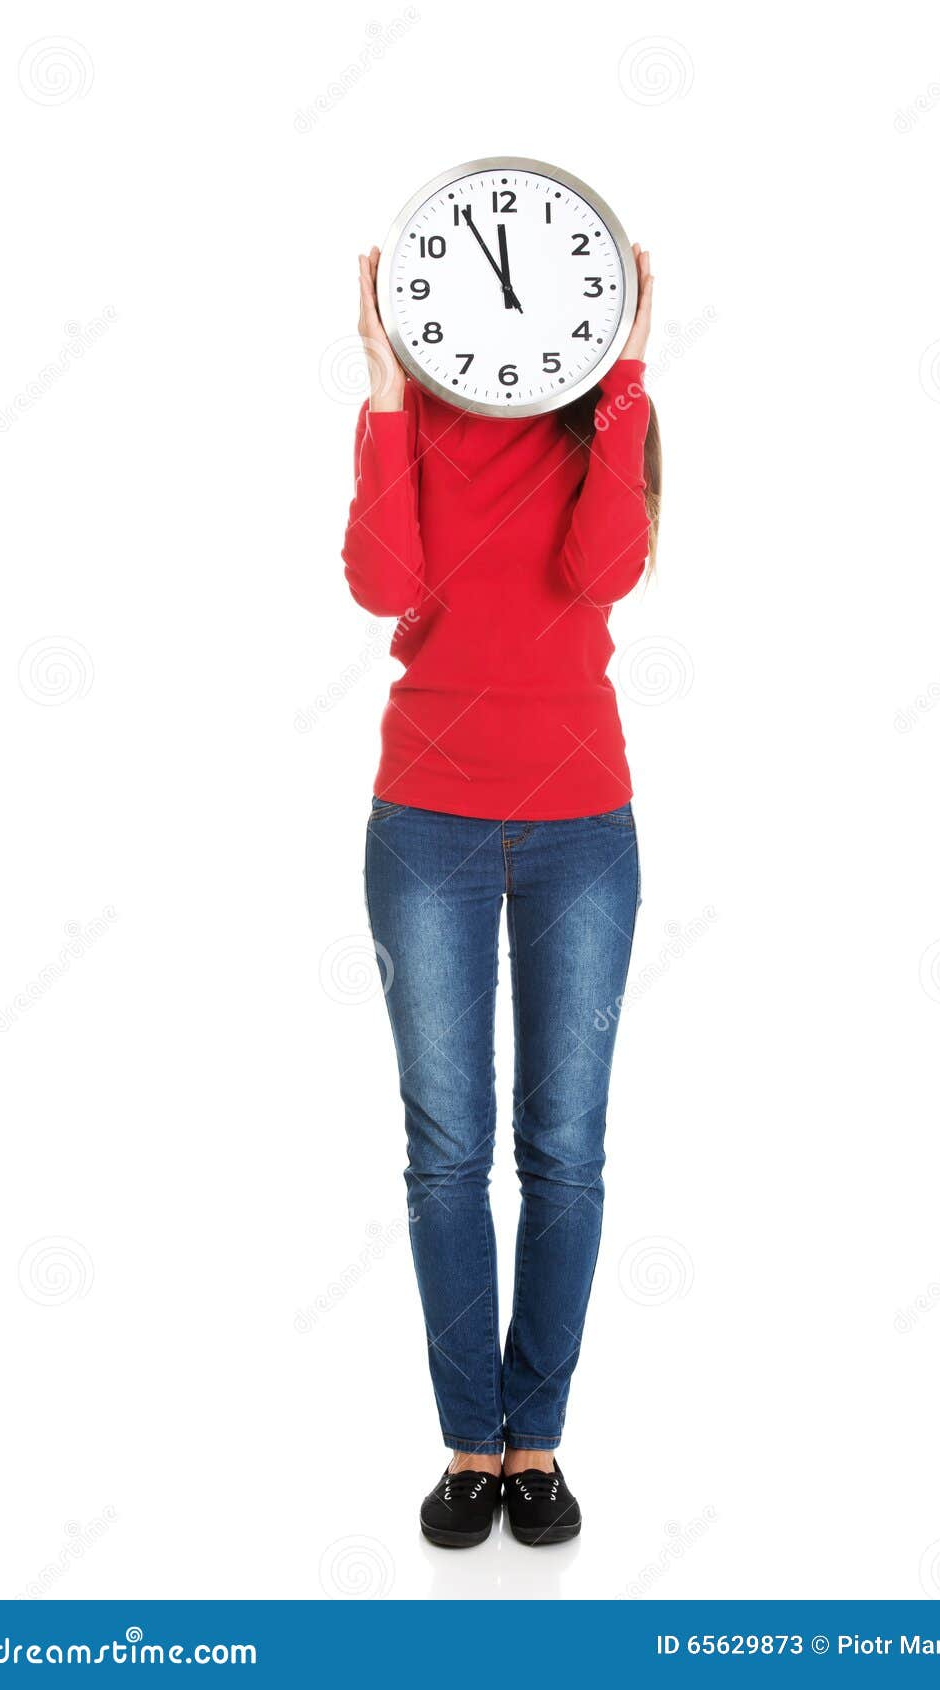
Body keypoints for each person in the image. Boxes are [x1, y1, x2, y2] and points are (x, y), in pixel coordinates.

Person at [342, 241, 658, 1546]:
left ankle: (539, 1444)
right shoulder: (410, 414)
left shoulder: (607, 417)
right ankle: (472, 1444)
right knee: (448, 1151)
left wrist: (625, 379)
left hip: (584, 824)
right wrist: (380, 392)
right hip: (428, 819)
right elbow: (384, 585)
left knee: (565, 1149)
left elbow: (603, 573)